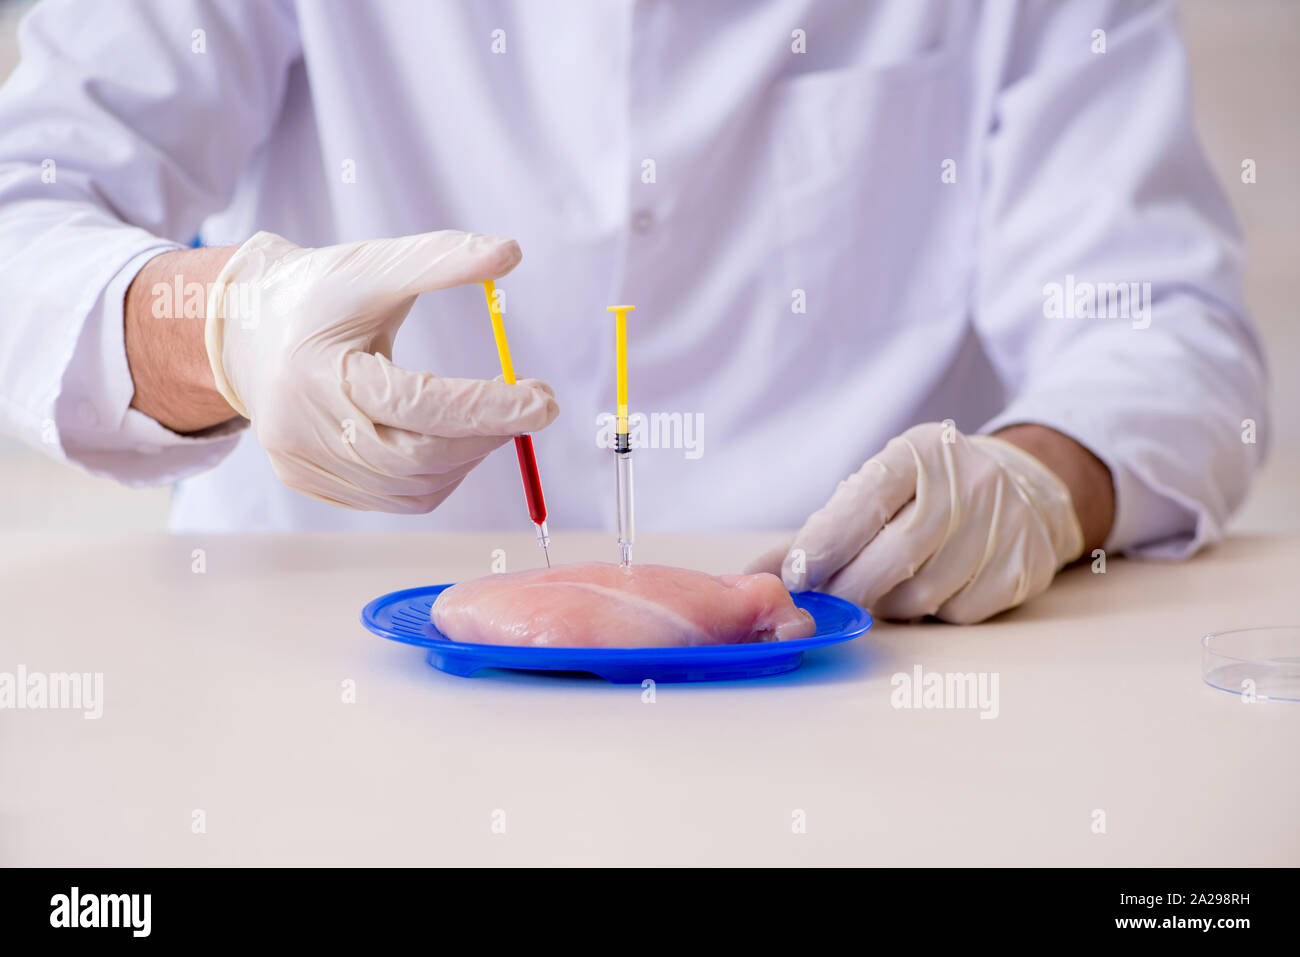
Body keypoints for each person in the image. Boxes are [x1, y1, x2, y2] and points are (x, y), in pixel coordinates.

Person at [0, 0, 1268, 623]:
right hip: (309, 653)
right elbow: (24, 215)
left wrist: (1041, 482)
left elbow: (1162, 319)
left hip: (864, 667)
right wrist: (224, 324)